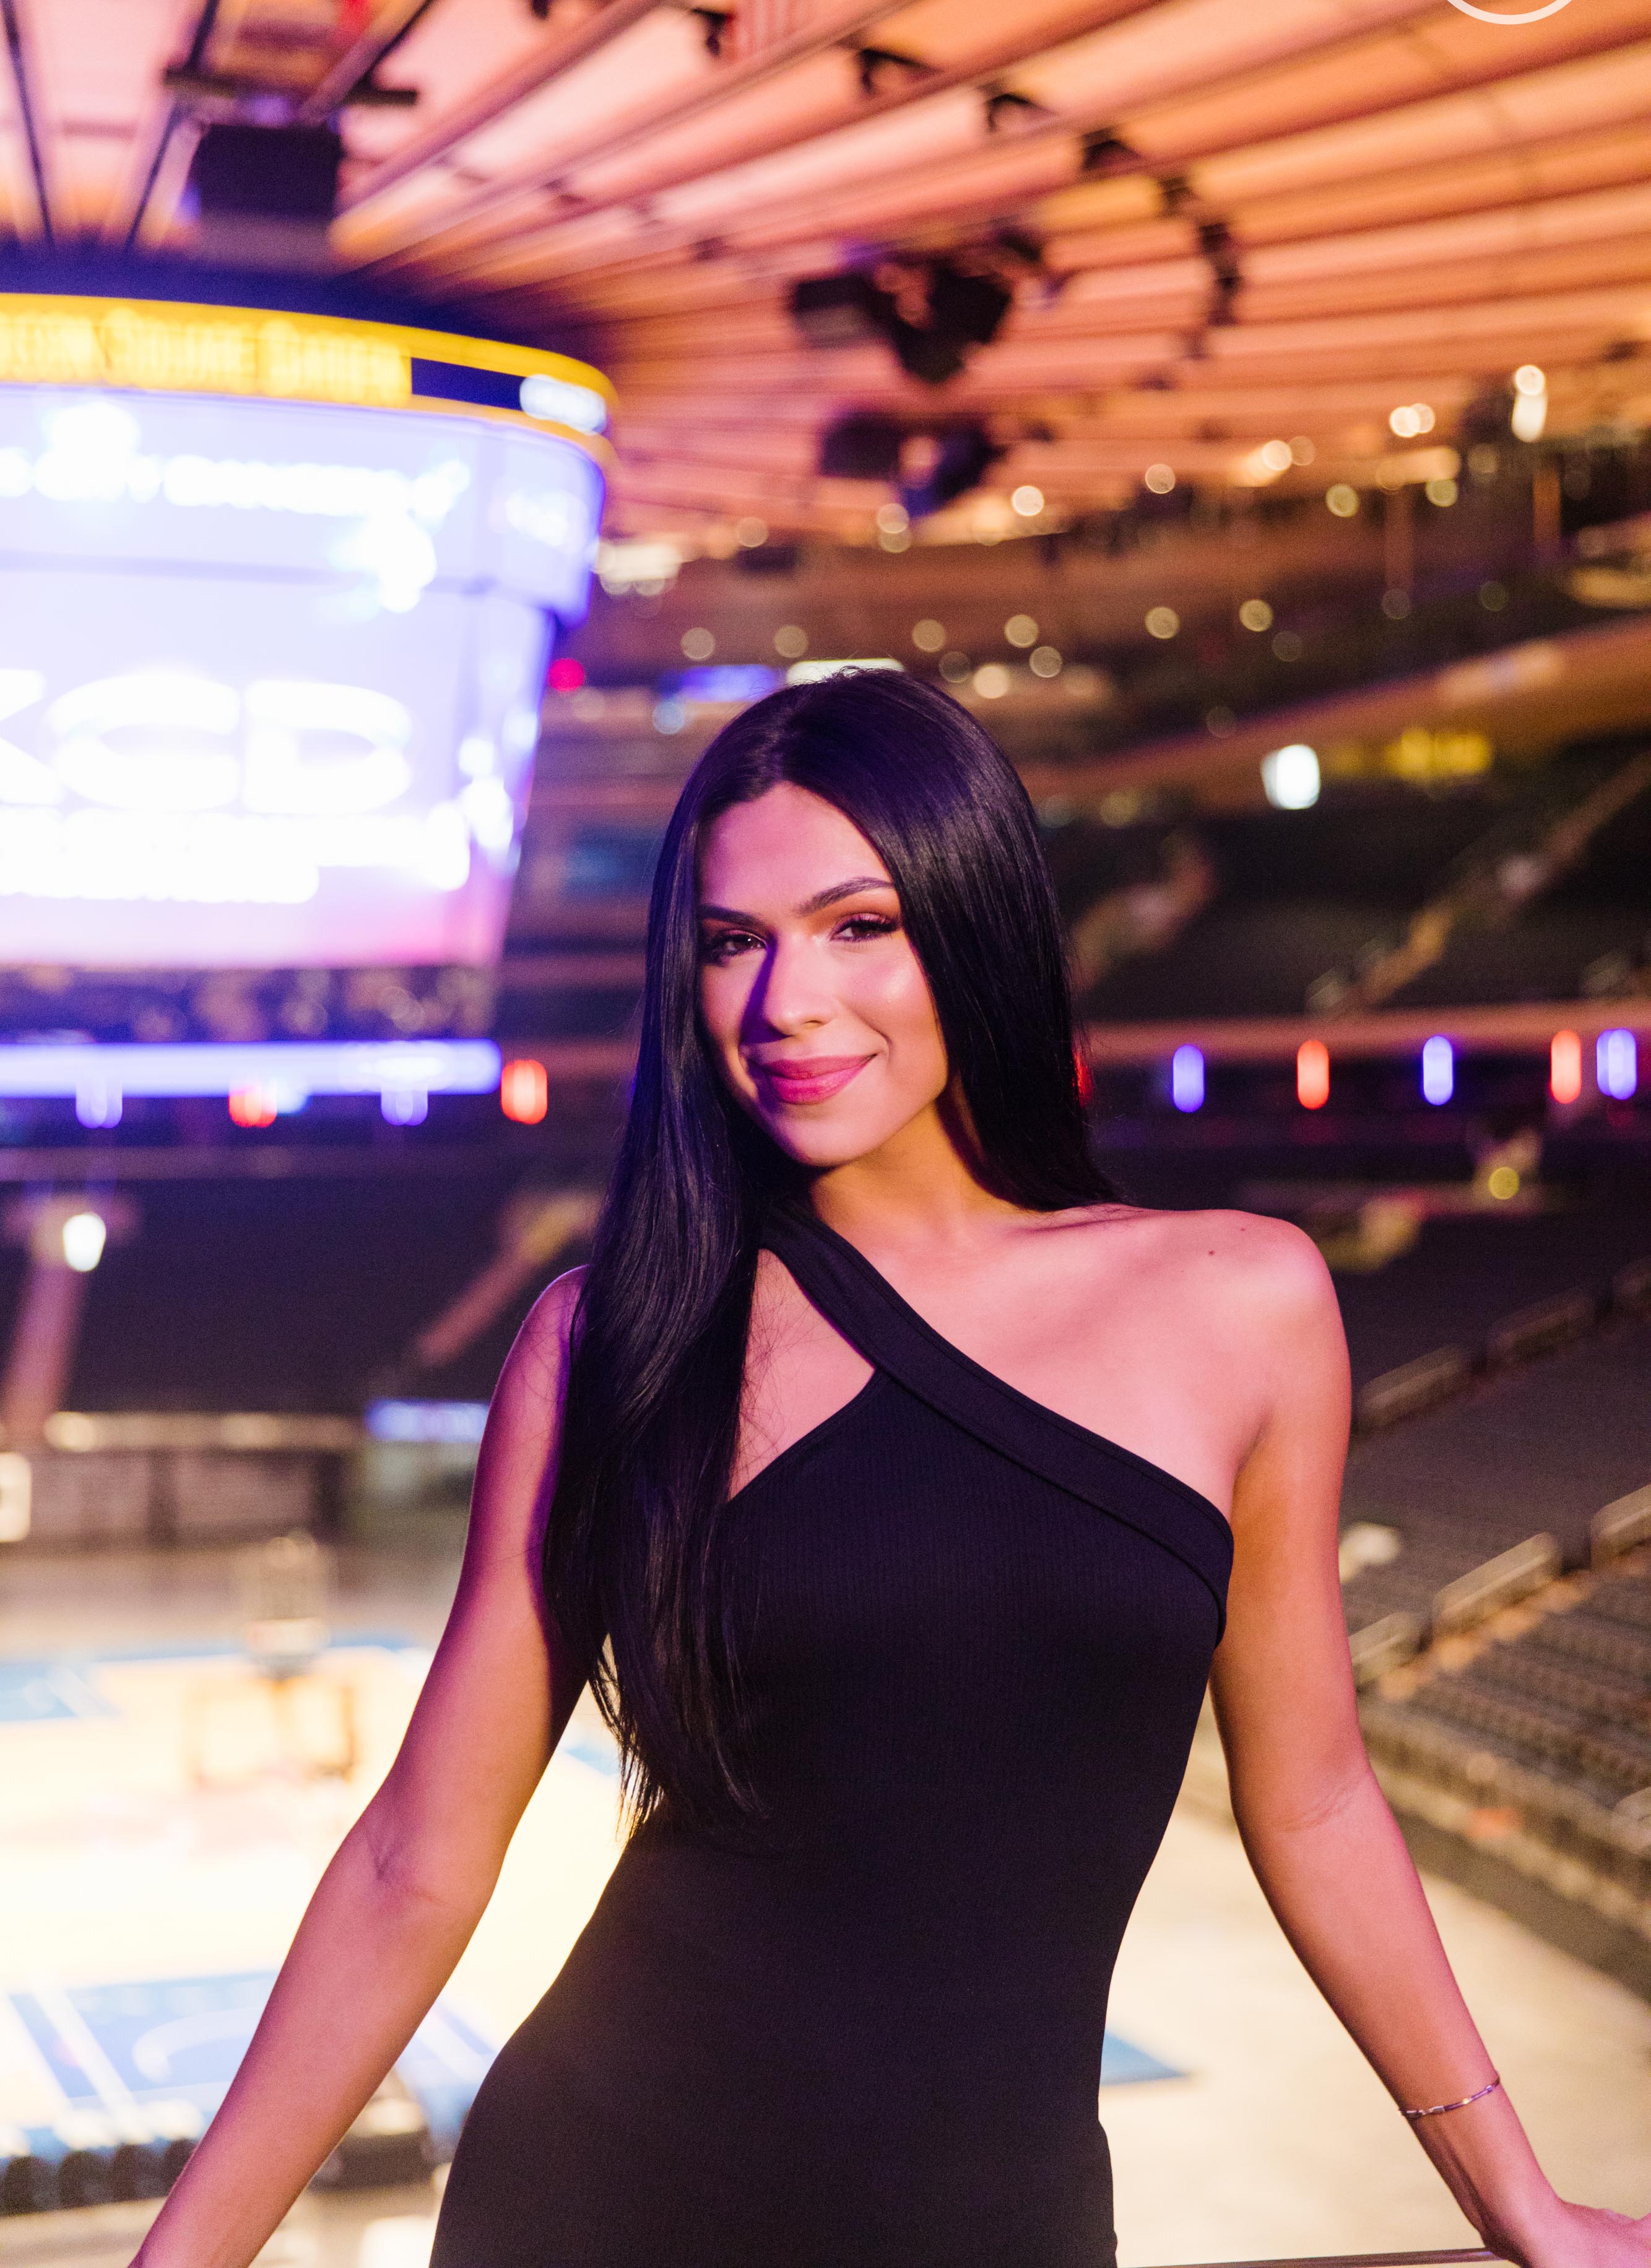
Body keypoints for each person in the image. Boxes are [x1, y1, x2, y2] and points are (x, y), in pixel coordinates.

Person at [134, 671, 1650, 2268]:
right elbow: (413, 1862)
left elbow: (1321, 1798)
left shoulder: (1244, 1304)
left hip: (999, 2218)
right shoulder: (613, 1344)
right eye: (733, 941)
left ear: (973, 928)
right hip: (608, 2201)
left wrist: (1518, 2203)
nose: (786, 997)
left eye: (859, 924)